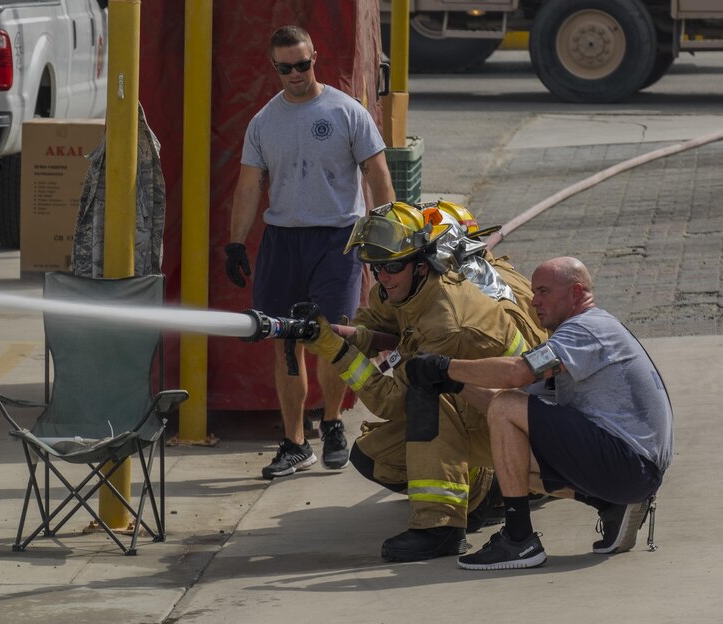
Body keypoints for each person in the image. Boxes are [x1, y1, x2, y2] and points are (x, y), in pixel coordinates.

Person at [303, 201, 547, 562]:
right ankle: (488, 488)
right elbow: (383, 326)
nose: (383, 277)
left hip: (522, 426)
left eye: (391, 267)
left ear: (421, 264)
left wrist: (335, 351)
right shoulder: (412, 286)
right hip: (486, 411)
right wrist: (338, 332)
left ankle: (442, 527)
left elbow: (392, 400)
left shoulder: (448, 323)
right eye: (375, 267)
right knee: (374, 457)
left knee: (424, 393)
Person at [406, 256, 674, 570]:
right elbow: (509, 403)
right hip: (632, 469)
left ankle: (519, 541)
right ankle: (611, 504)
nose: (534, 301)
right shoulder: (577, 335)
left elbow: (516, 375)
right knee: (512, 454)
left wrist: (444, 365)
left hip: (630, 463)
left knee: (508, 413)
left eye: (544, 291)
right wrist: (452, 383)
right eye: (534, 292)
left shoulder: (585, 330)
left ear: (575, 293)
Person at [224, 25, 395, 480]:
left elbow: (378, 176)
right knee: (285, 341)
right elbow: (247, 186)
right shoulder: (264, 121)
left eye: (304, 64)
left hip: (337, 238)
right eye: (286, 68)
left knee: (332, 337)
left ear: (315, 57)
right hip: (283, 240)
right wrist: (236, 241)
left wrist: (384, 239)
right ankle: (295, 442)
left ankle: (334, 421)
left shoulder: (346, 111)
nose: (297, 74)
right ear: (274, 68)